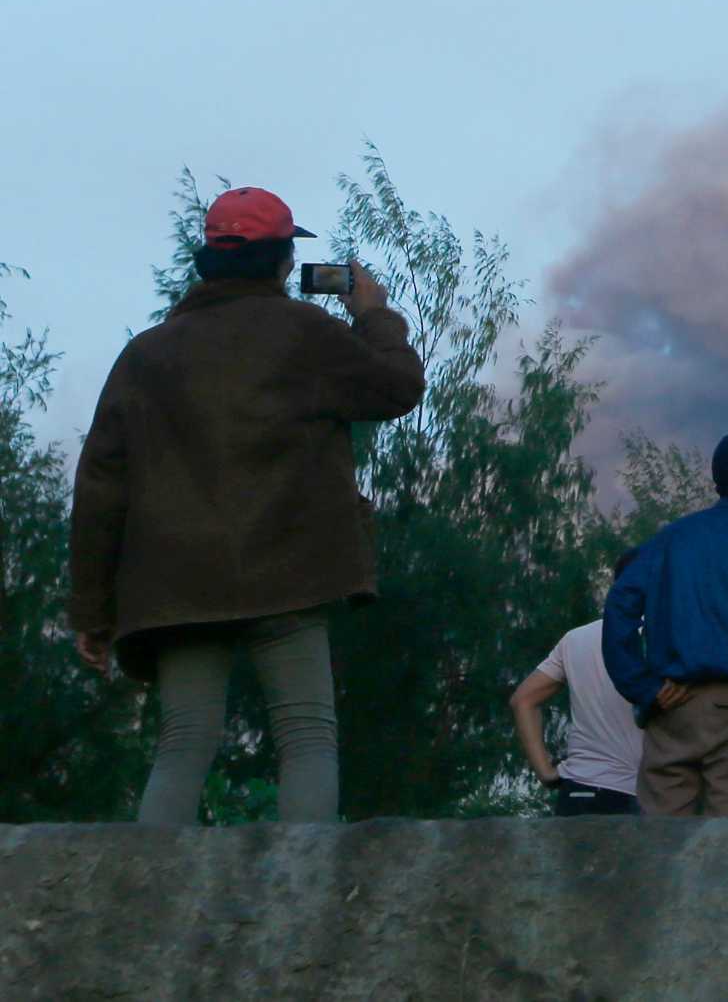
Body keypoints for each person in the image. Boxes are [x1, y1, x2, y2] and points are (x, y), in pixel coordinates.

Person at [68, 188, 422, 826]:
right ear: (285, 261)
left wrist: (93, 612)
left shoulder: (146, 354)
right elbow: (397, 387)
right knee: (308, 740)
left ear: (209, 258)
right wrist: (374, 314)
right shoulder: (307, 333)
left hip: (176, 585)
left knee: (181, 746)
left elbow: (100, 487)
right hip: (290, 573)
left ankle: (148, 905)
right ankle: (300, 903)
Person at [602, 432, 728, 817]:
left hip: (670, 709)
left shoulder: (671, 537)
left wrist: (643, 687)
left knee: (661, 846)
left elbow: (619, 607)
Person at [509, 560, 646, 816]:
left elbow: (523, 700)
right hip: (641, 795)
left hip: (579, 791)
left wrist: (545, 772)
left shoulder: (576, 638)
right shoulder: (665, 640)